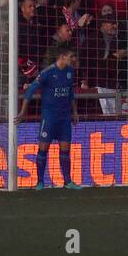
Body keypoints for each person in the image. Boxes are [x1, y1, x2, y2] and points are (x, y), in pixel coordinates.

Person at [16, 46, 80, 190]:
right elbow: (30, 91)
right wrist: (22, 112)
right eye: (71, 56)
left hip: (64, 117)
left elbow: (70, 93)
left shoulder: (70, 72)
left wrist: (74, 112)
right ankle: (40, 182)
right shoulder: (47, 73)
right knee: (43, 148)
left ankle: (68, 181)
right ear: (62, 57)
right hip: (49, 116)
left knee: (65, 149)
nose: (74, 59)